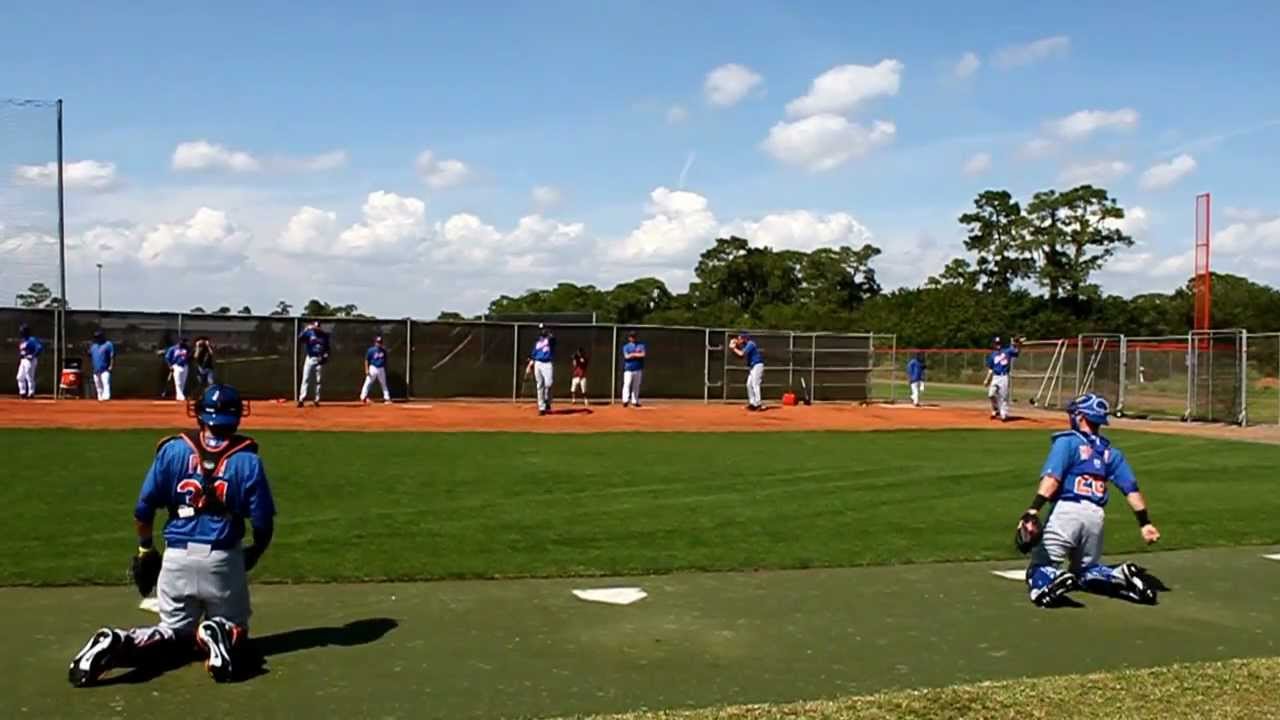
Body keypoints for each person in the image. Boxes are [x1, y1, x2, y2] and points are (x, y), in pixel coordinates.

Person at [67, 384, 276, 686]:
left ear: (200, 414)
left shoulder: (172, 450)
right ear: (236, 417)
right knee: (237, 631)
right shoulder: (249, 461)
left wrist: (145, 549)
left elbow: (143, 509)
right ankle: (217, 632)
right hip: (222, 558)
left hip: (176, 557)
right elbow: (263, 524)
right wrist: (255, 551)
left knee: (173, 634)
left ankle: (118, 641)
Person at [1016, 393, 1162, 608]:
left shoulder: (1067, 442)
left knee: (1040, 566)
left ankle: (1049, 584)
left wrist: (1033, 510)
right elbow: (1131, 490)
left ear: (1081, 417)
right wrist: (1145, 523)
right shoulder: (1111, 453)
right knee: (1086, 570)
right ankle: (1118, 575)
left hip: (1067, 512)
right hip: (1096, 517)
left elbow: (1052, 479)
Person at [983, 336, 1020, 421]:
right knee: (991, 394)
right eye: (996, 343)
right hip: (996, 376)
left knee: (1003, 396)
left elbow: (1016, 353)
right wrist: (987, 379)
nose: (998, 345)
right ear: (993, 344)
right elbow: (991, 369)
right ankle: (996, 409)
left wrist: (1017, 345)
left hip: (1004, 376)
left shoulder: (1007, 351)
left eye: (999, 343)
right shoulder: (992, 355)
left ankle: (1004, 414)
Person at [297, 320, 330, 408]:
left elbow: (327, 349)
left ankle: (316, 400)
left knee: (318, 381)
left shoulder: (324, 336)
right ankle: (301, 399)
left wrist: (325, 357)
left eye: (317, 327)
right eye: (315, 327)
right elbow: (300, 338)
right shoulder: (309, 333)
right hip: (310, 358)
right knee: (305, 378)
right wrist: (305, 329)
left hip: (319, 359)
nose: (316, 329)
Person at [729, 332, 765, 411]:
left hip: (757, 365)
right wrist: (734, 343)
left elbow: (741, 353)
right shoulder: (746, 344)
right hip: (753, 367)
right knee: (749, 384)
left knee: (755, 384)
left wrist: (733, 348)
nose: (739, 340)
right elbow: (739, 348)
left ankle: (758, 404)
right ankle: (752, 403)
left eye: (740, 338)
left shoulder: (751, 344)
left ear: (745, 338)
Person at [525, 324, 555, 415]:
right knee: (539, 385)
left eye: (544, 330)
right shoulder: (537, 343)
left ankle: (547, 400)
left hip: (547, 363)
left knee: (549, 383)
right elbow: (533, 355)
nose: (542, 332)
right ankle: (541, 408)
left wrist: (548, 332)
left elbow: (553, 339)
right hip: (538, 363)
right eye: (541, 331)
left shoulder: (550, 340)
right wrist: (530, 364)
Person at [361, 336, 392, 404]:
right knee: (368, 382)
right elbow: (366, 360)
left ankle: (387, 398)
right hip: (373, 368)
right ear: (375, 342)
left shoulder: (384, 351)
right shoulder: (371, 350)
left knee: (383, 384)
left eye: (380, 342)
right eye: (378, 342)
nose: (379, 343)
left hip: (381, 368)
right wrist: (366, 369)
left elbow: (385, 360)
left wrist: (385, 368)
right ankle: (363, 397)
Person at [16, 323, 44, 399]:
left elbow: (39, 348)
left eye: (23, 331)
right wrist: (20, 358)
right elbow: (22, 352)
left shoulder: (32, 339)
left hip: (30, 360)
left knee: (29, 377)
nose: (21, 332)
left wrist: (33, 355)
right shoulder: (22, 341)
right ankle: (22, 393)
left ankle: (31, 393)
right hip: (23, 360)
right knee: (19, 377)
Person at [620, 331, 646, 408]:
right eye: (631, 337)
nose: (633, 338)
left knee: (636, 385)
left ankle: (635, 401)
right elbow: (626, 356)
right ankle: (625, 401)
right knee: (627, 384)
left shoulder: (641, 345)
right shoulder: (626, 346)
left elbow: (643, 354)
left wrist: (633, 354)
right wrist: (635, 354)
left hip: (638, 368)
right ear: (629, 338)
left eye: (634, 336)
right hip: (628, 369)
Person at [89, 329, 115, 401]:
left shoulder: (108, 344)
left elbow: (112, 356)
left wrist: (111, 366)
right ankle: (100, 397)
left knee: (105, 383)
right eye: (96, 337)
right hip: (96, 369)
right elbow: (90, 355)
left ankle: (106, 397)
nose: (97, 338)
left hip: (105, 368)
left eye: (99, 336)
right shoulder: (93, 346)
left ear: (102, 336)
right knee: (98, 385)